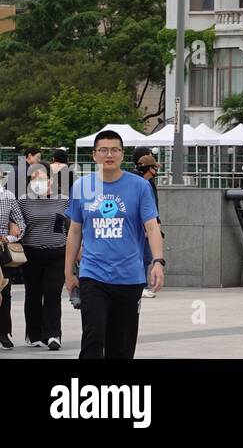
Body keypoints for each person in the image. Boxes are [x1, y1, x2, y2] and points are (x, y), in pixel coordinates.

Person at [64, 128, 165, 359]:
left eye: (115, 150)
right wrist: (68, 272)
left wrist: (158, 261)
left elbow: (152, 226)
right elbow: (75, 230)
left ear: (122, 154)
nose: (109, 154)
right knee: (93, 336)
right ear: (94, 155)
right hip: (93, 275)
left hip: (129, 276)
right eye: (103, 150)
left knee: (121, 346)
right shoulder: (82, 187)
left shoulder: (139, 186)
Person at [19, 163, 68, 350]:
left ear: (50, 179)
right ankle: (34, 334)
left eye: (41, 178)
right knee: (33, 294)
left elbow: (69, 226)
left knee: (53, 294)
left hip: (57, 253)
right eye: (33, 179)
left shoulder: (64, 200)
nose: (37, 182)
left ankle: (53, 334)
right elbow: (17, 223)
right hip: (32, 253)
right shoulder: (23, 200)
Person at [133, 153, 163, 298]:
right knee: (144, 256)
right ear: (149, 169)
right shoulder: (142, 184)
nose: (155, 171)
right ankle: (142, 285)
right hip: (142, 227)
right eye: (154, 168)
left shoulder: (146, 182)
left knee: (145, 256)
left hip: (146, 225)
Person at [1, 180, 25, 350]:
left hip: (2, 251)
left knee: (4, 291)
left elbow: (21, 223)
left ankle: (3, 331)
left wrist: (9, 238)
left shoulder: (8, 196)